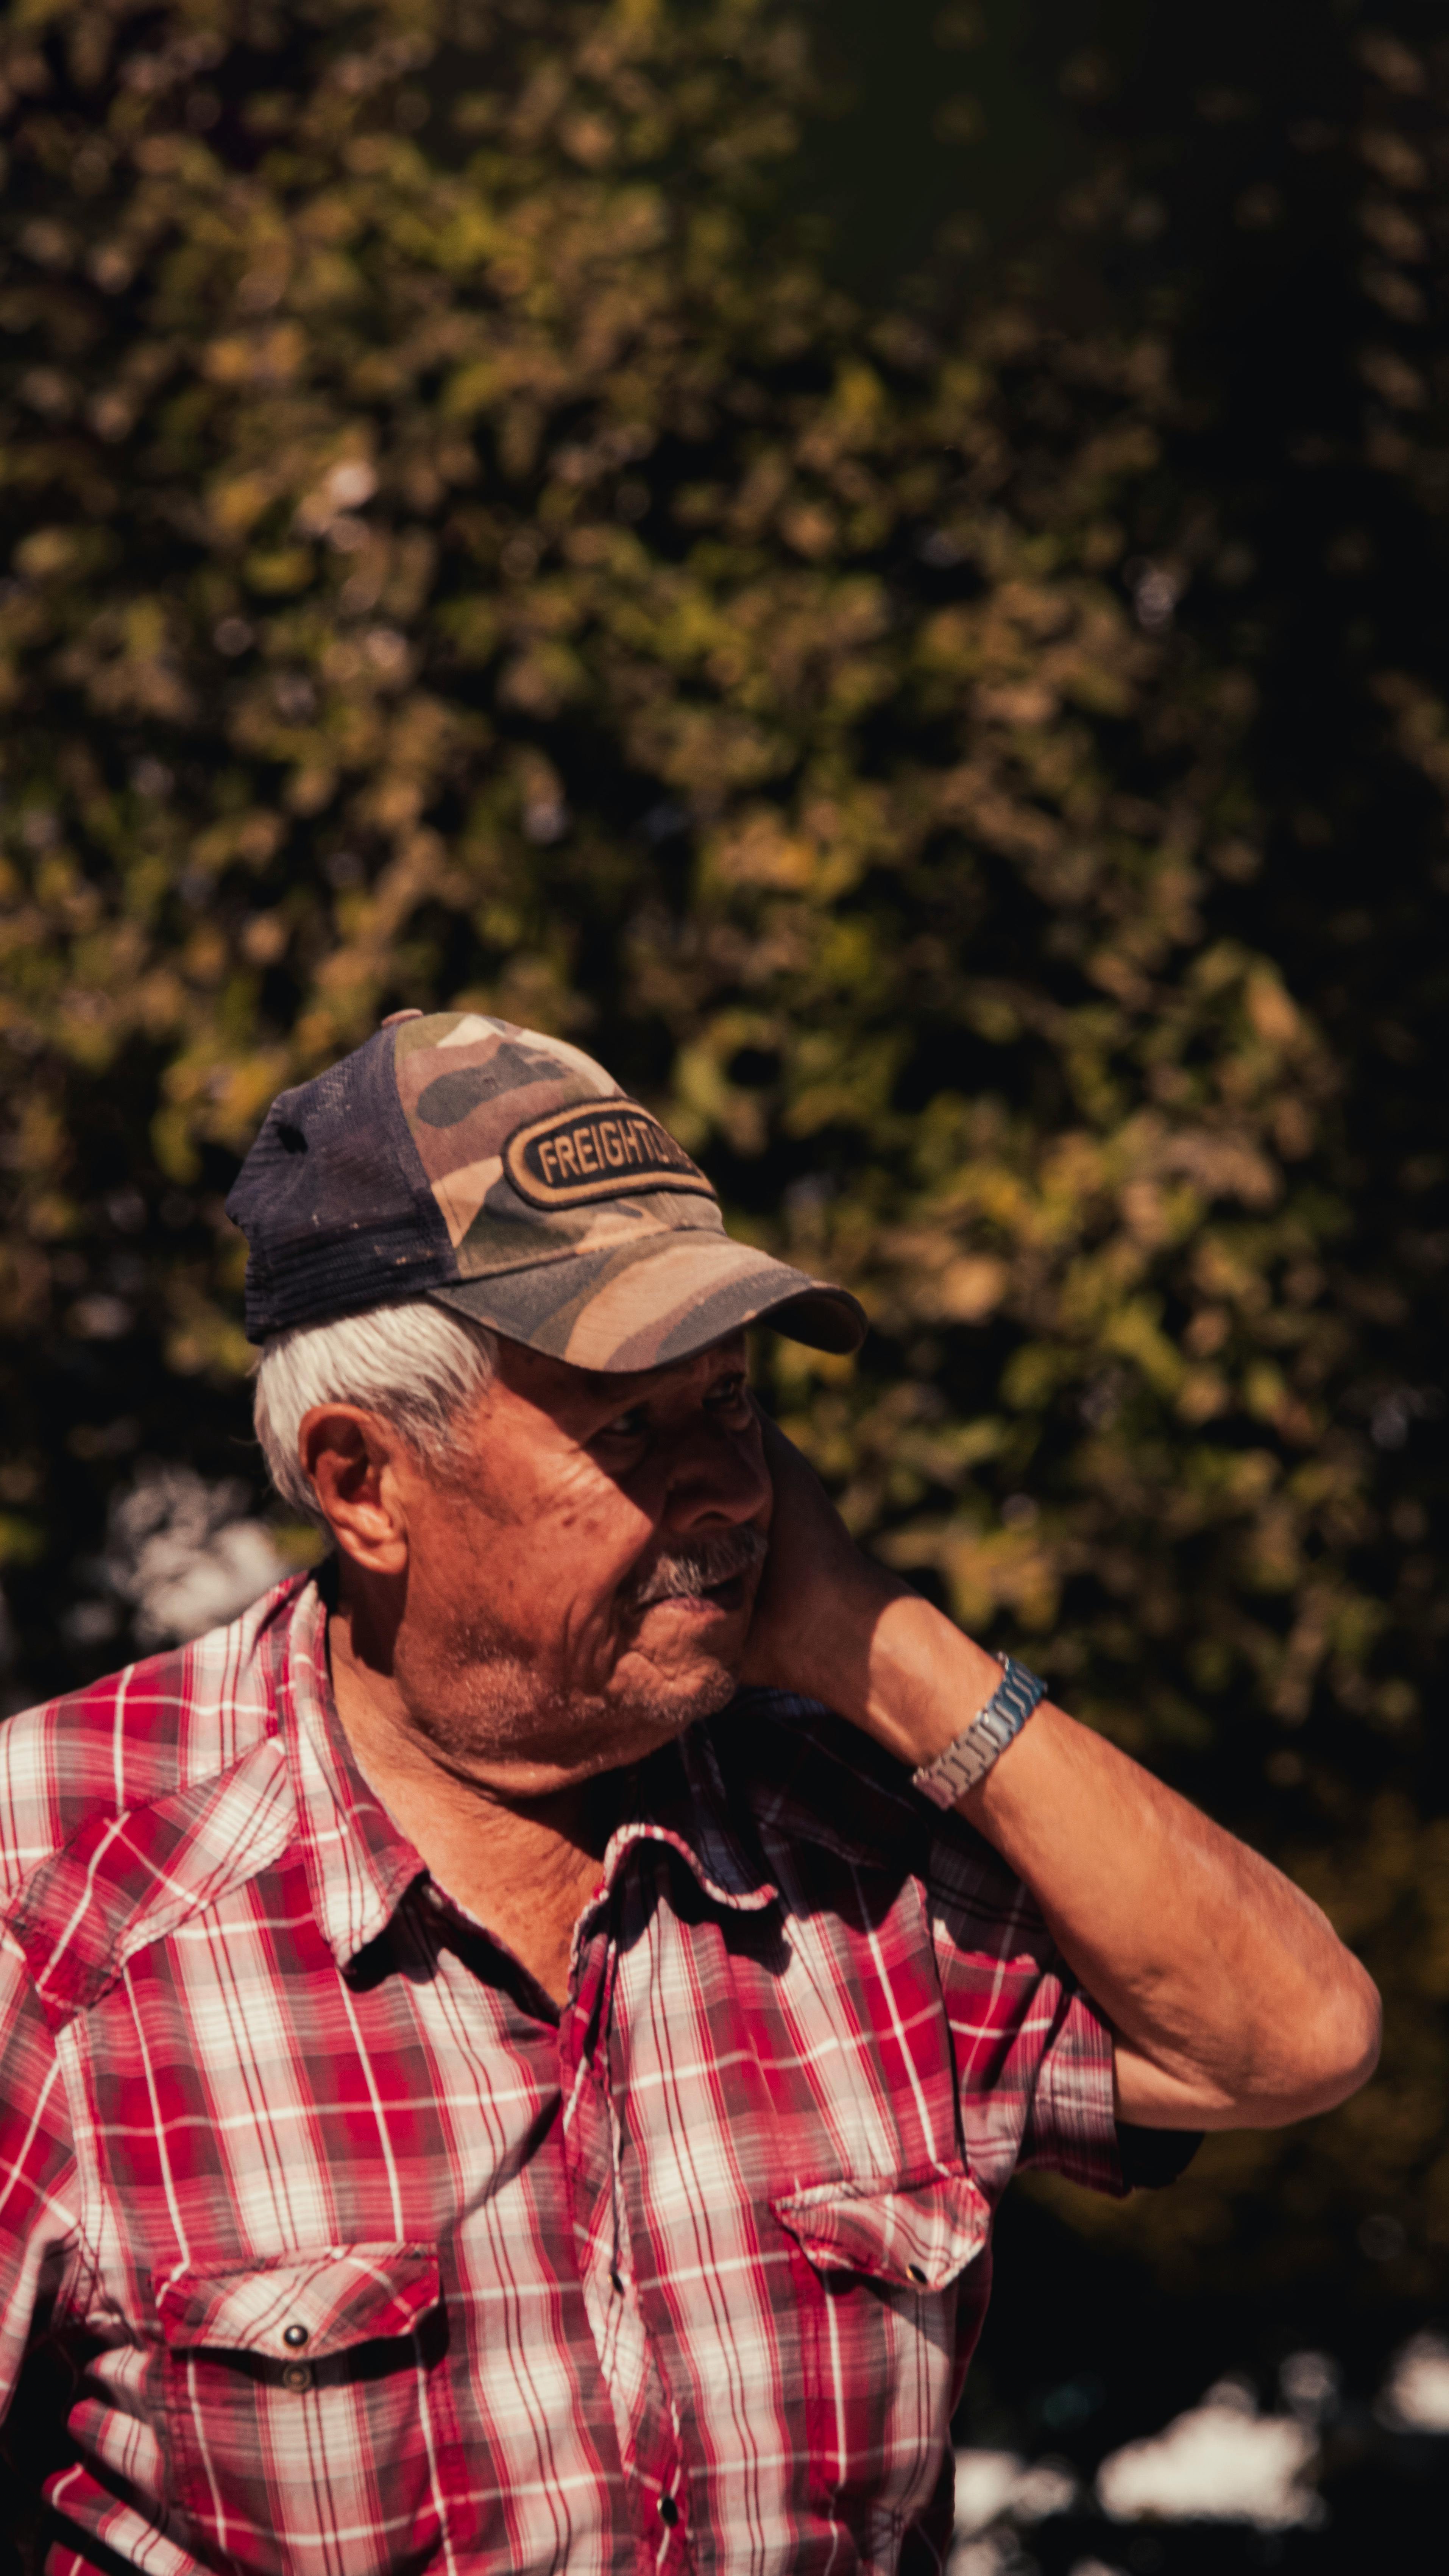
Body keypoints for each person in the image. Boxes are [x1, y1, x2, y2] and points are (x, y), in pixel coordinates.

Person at [0, 1010, 1379, 2576]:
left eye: (730, 1402)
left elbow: (1293, 2039)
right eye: (630, 1426)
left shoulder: (841, 1832)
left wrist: (877, 1637)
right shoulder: (60, 1877)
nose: (727, 1484)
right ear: (363, 1483)